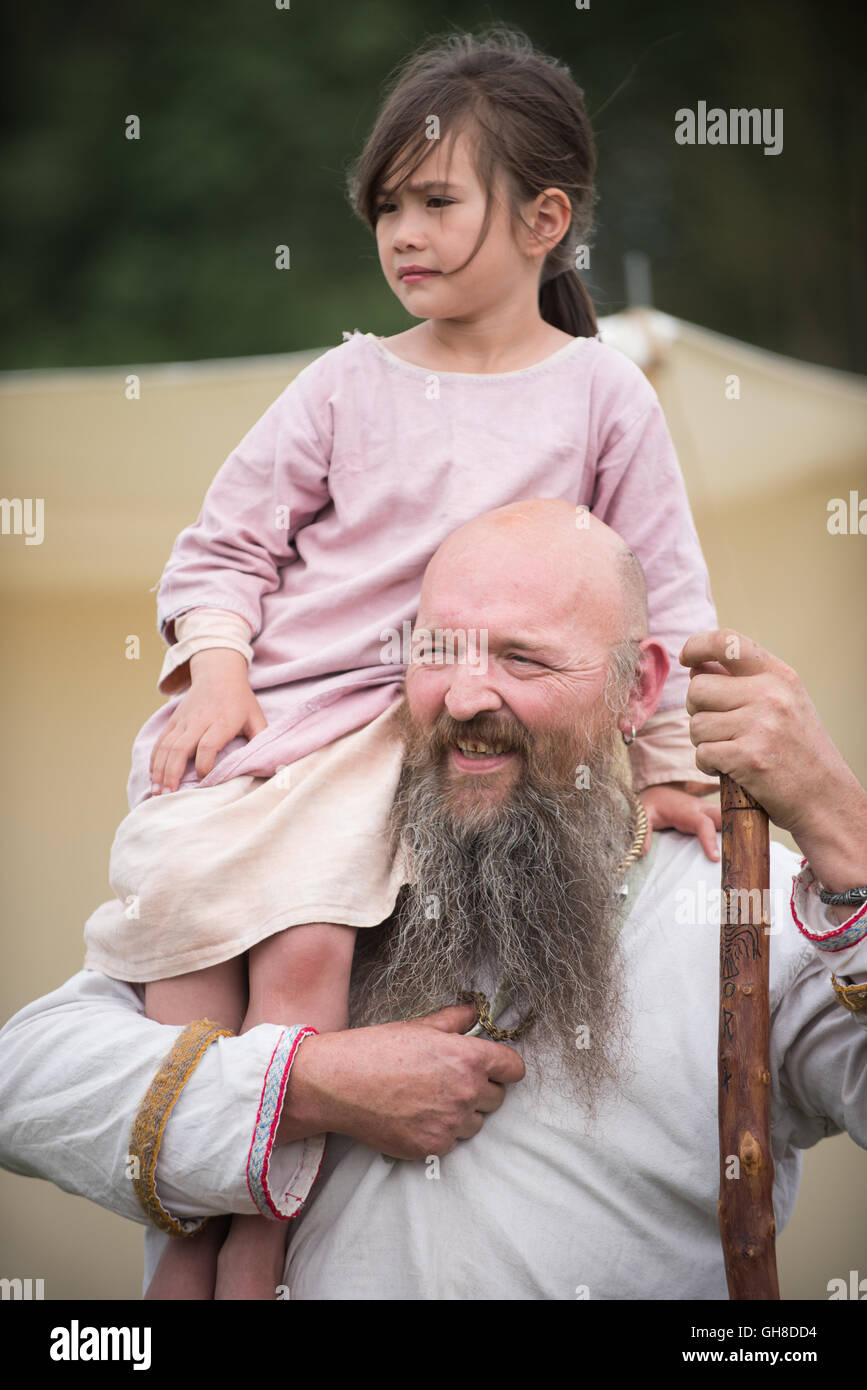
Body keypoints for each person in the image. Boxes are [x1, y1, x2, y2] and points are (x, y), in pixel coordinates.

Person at [84, 27, 727, 1298]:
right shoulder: (343, 383)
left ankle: (254, 1266)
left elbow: (664, 602)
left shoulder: (603, 395)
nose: (403, 233)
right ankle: (175, 1279)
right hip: (266, 746)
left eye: (436, 201)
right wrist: (216, 670)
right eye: (387, 207)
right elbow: (222, 550)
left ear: (547, 218)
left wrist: (669, 766)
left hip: (394, 758)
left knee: (305, 975)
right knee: (183, 1027)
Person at [1, 504, 865, 1299]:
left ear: (636, 690)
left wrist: (839, 825)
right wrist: (304, 1085)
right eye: (437, 651)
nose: (463, 698)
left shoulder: (739, 908)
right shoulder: (309, 863)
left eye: (521, 657)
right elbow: (28, 1086)